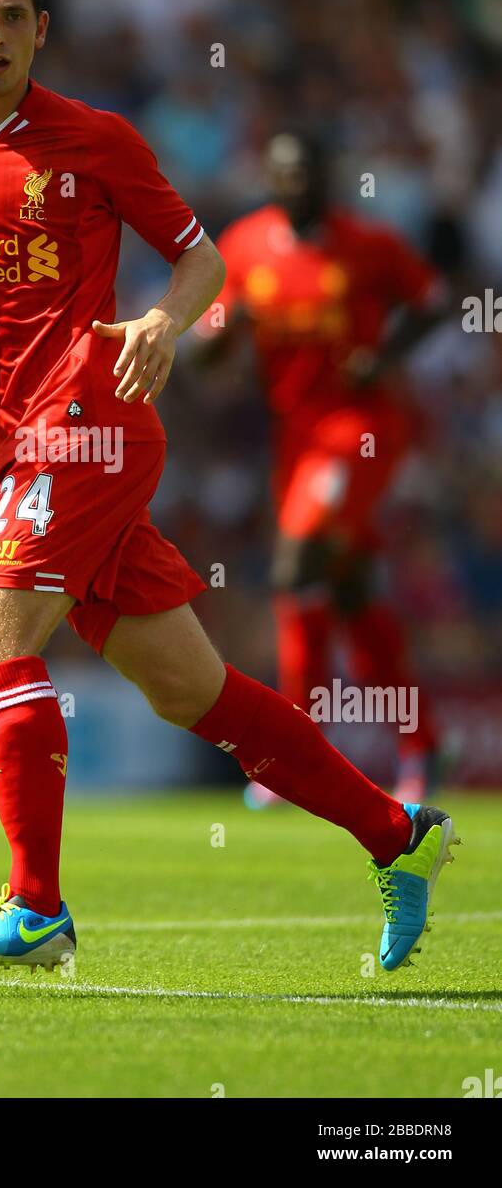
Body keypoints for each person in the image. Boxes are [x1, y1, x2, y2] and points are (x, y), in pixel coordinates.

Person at [0, 0, 459, 977]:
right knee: (189, 689)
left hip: (88, 420)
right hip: (15, 447)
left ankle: (35, 907)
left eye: (12, 19)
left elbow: (201, 260)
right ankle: (398, 836)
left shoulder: (94, 139)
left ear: (40, 32)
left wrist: (163, 325)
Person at [194, 132, 446, 808]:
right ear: (270, 179)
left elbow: (434, 302)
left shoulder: (367, 244)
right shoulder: (246, 245)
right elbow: (204, 353)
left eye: (306, 170)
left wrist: (383, 359)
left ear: (327, 176)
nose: (295, 182)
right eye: (283, 172)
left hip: (360, 434)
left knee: (294, 564)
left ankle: (293, 751)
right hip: (296, 442)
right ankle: (421, 747)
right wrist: (221, 333)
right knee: (353, 595)